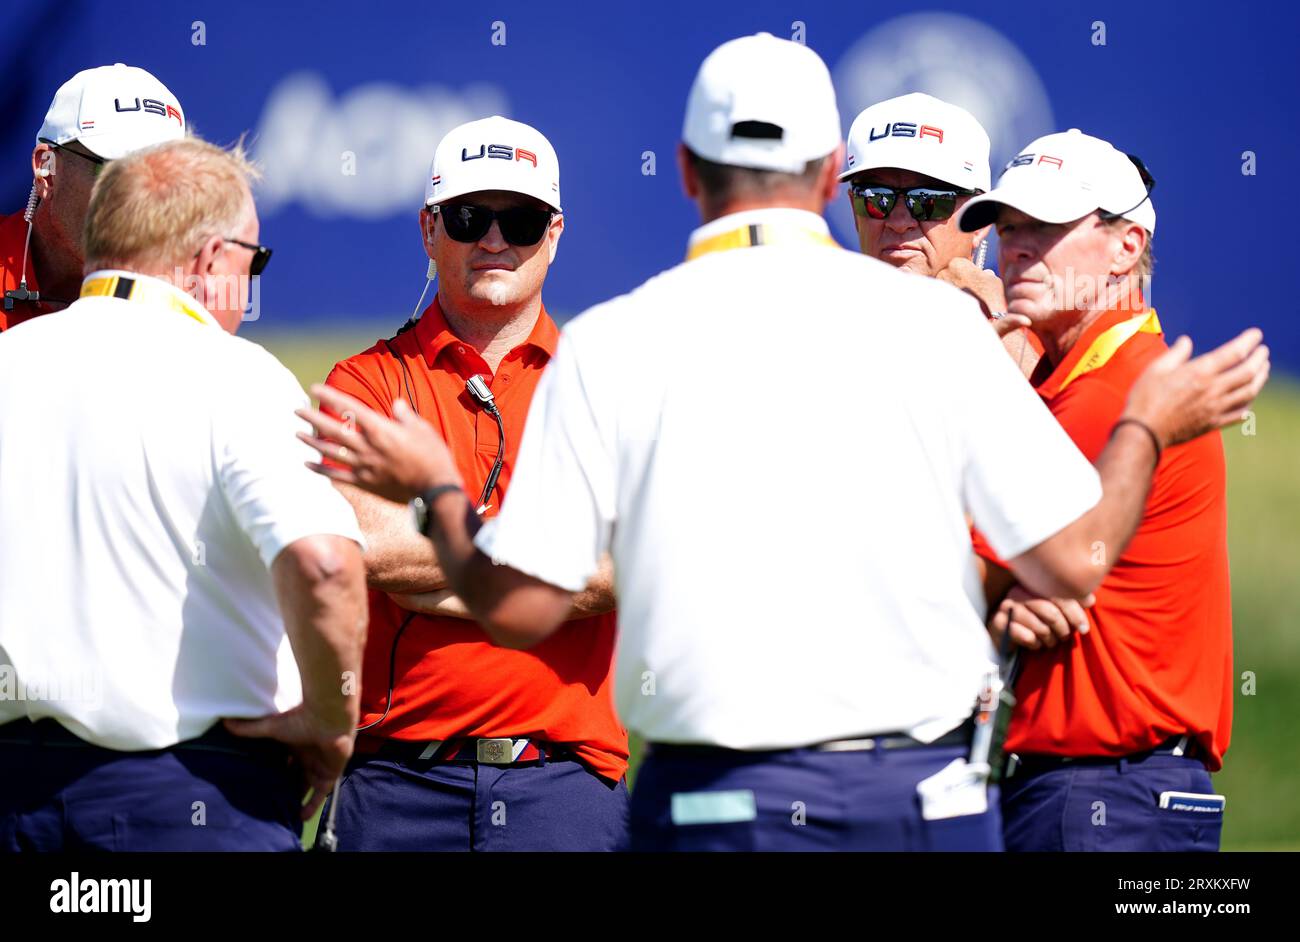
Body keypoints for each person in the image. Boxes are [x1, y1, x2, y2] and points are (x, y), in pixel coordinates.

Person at [296, 35, 1268, 852]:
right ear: (830, 173)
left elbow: (516, 609)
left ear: (683, 170)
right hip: (918, 800)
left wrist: (437, 491)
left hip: (717, 798)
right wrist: (1148, 425)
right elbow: (1072, 556)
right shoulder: (935, 331)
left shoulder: (615, 344)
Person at [0, 137, 366, 851]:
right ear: (208, 261)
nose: (252, 288)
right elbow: (324, 565)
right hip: (194, 796)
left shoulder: (9, 365)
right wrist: (329, 721)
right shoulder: (237, 377)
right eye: (251, 263)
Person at [314, 116, 628, 852]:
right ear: (429, 231)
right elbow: (368, 549)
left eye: (517, 219)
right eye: (468, 217)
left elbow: (625, 569)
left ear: (553, 233)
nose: (493, 240)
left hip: (564, 784)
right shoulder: (366, 380)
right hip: (394, 784)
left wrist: (437, 532)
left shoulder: (608, 383)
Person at [956, 129, 1240, 852]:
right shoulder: (1083, 379)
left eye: (1048, 226)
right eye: (1009, 227)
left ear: (1125, 245)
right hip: (1116, 794)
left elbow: (946, 577)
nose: (1019, 247)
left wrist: (996, 594)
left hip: (1098, 799)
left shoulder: (1110, 391)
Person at [841, 92, 1039, 375]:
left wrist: (999, 326)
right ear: (854, 209)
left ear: (979, 220)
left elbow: (1064, 418)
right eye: (876, 198)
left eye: (927, 200)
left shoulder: (1039, 329)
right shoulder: (816, 325)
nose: (899, 221)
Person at [1, 63, 185, 331]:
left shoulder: (182, 302)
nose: (141, 198)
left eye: (165, 174)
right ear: (47, 169)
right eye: (114, 171)